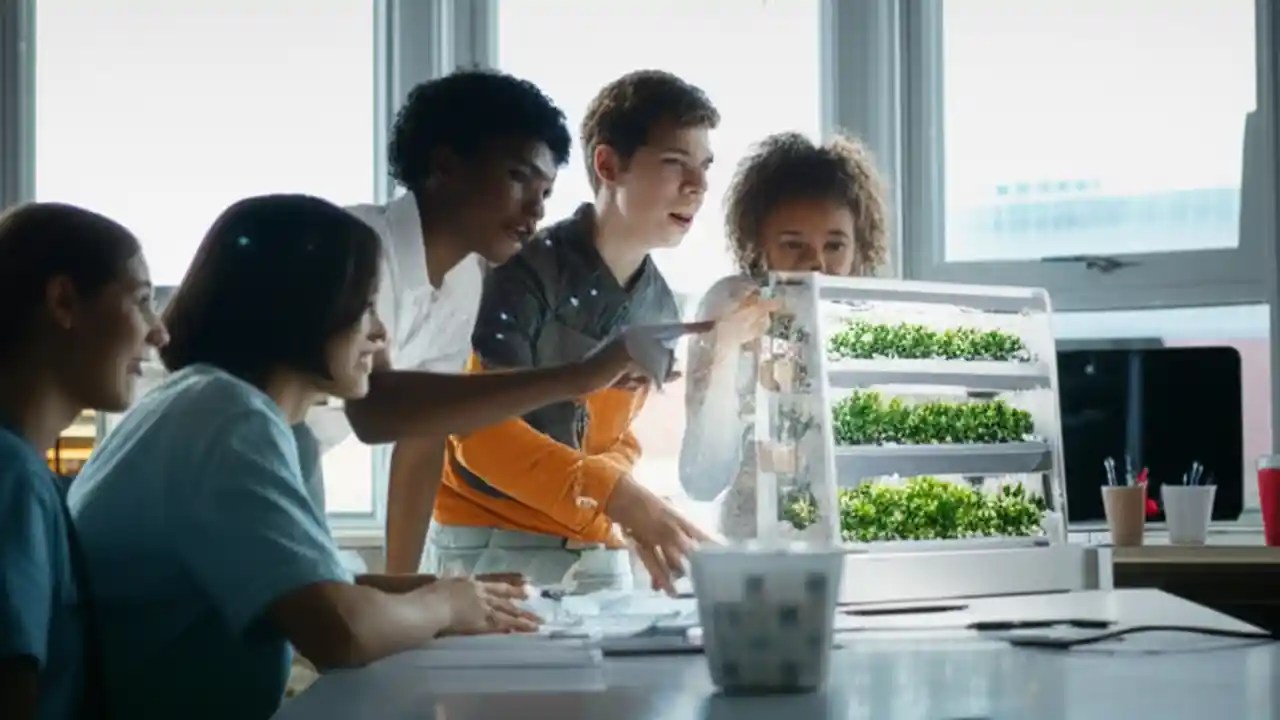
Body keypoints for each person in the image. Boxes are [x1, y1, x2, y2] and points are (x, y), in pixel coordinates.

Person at [67, 195, 543, 720]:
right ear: (305, 306)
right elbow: (339, 630)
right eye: (365, 307)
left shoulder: (252, 420)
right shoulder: (224, 416)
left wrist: (456, 592)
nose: (381, 335)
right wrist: (445, 605)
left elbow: (310, 586)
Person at [313, 69, 656, 573]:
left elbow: (425, 434)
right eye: (518, 177)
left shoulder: (466, 281)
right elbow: (376, 410)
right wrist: (578, 377)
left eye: (545, 192)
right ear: (445, 165)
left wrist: (402, 582)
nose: (535, 209)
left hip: (287, 462)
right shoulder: (360, 245)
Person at [429, 70, 721, 593]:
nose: (698, 187)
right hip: (491, 545)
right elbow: (480, 437)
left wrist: (625, 505)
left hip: (594, 545)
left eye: (704, 168)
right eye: (675, 164)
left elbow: (618, 438)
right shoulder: (517, 272)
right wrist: (617, 497)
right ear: (608, 165)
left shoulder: (658, 302)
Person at [0, 202, 168, 720]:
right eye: (141, 301)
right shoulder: (12, 476)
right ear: (64, 301)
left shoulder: (35, 477)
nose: (158, 332)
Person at [679, 132, 890, 539]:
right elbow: (702, 479)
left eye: (835, 245)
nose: (816, 263)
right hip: (755, 546)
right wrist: (725, 348)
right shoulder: (732, 304)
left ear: (859, 246)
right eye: (794, 245)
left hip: (857, 542)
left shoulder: (867, 317)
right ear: (758, 244)